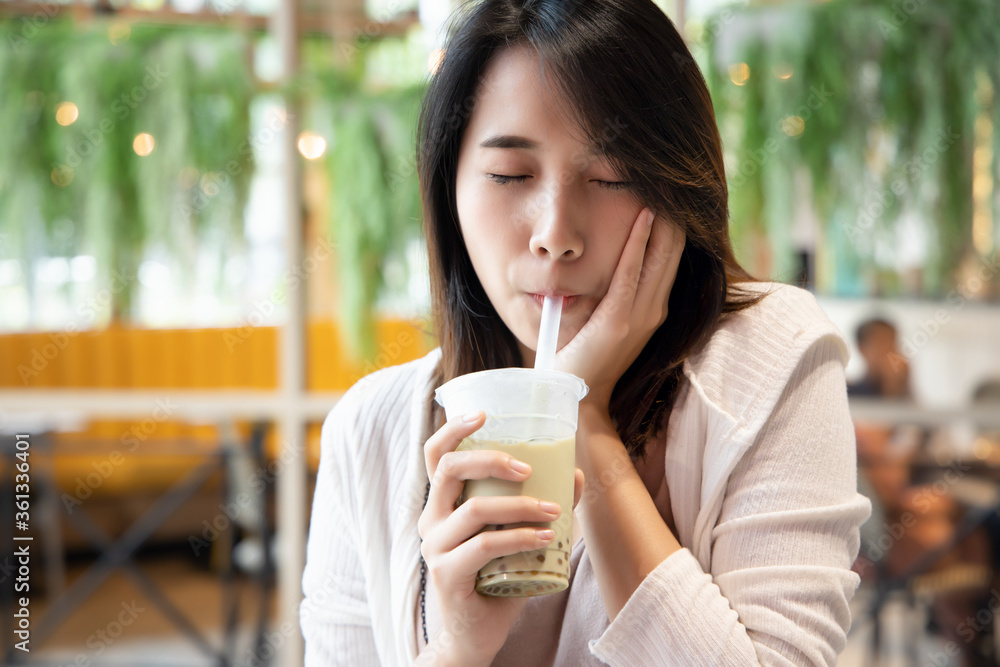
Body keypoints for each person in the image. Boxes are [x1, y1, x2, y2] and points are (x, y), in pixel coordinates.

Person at [301, 1, 870, 664]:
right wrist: (456, 645)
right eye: (510, 175)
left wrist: (585, 419)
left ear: (677, 189)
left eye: (611, 176)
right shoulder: (371, 431)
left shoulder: (770, 360)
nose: (555, 234)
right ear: (449, 189)